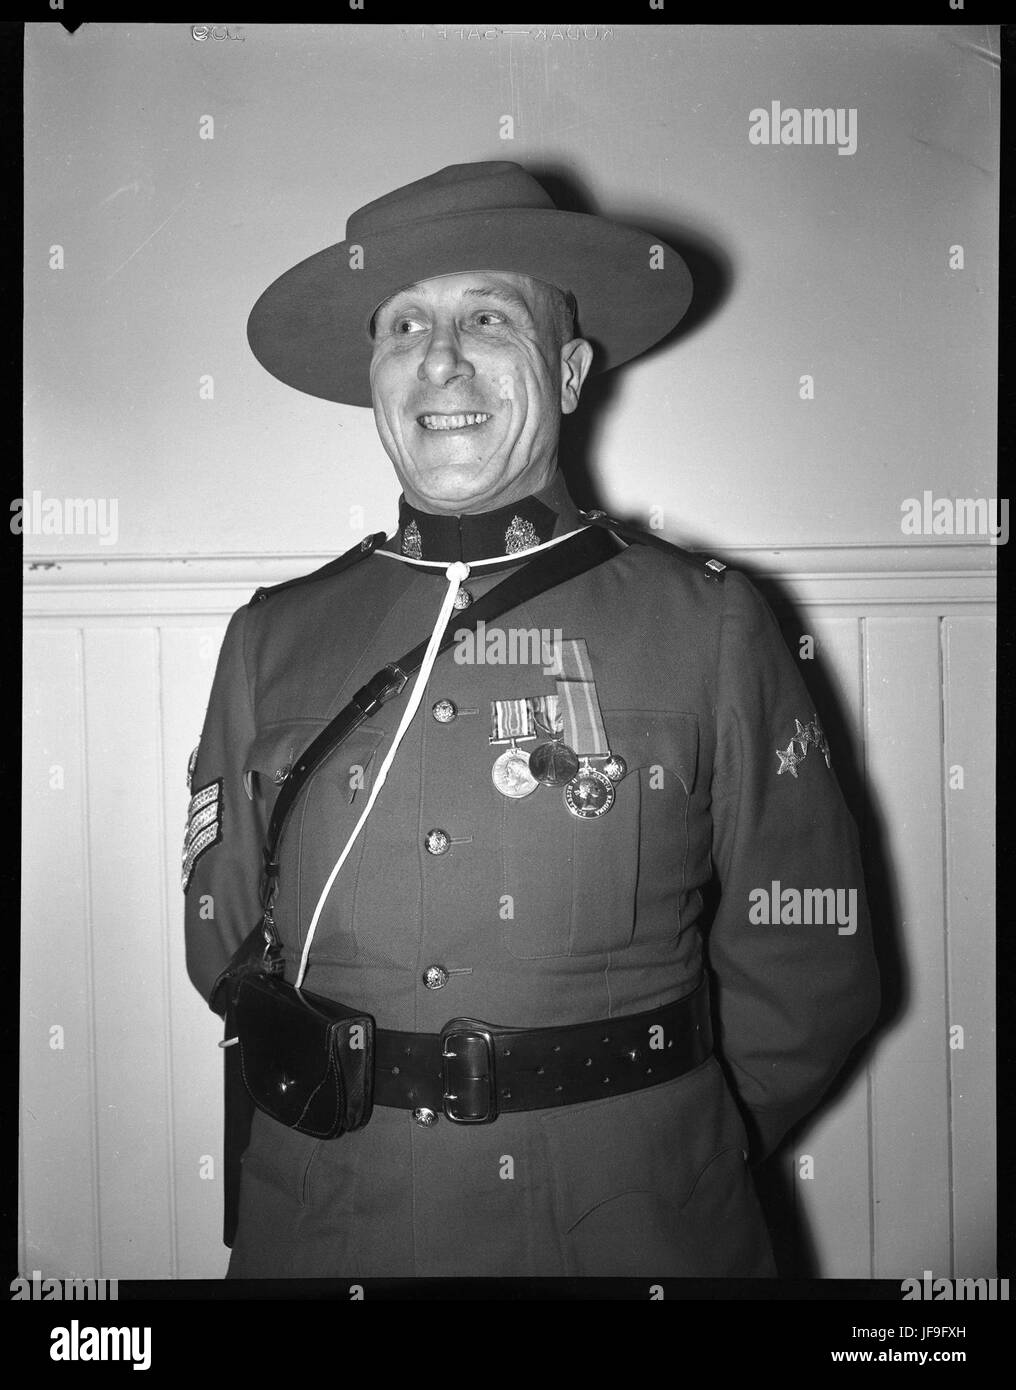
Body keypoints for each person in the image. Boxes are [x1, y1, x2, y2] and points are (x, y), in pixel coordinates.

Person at [183, 160, 880, 1278]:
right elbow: (219, 937)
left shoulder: (705, 621)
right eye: (404, 323)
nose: (440, 357)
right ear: (374, 378)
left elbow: (809, 961)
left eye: (487, 317)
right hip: (324, 1218)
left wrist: (661, 1145)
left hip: (630, 1224)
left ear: (563, 372)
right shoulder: (271, 637)